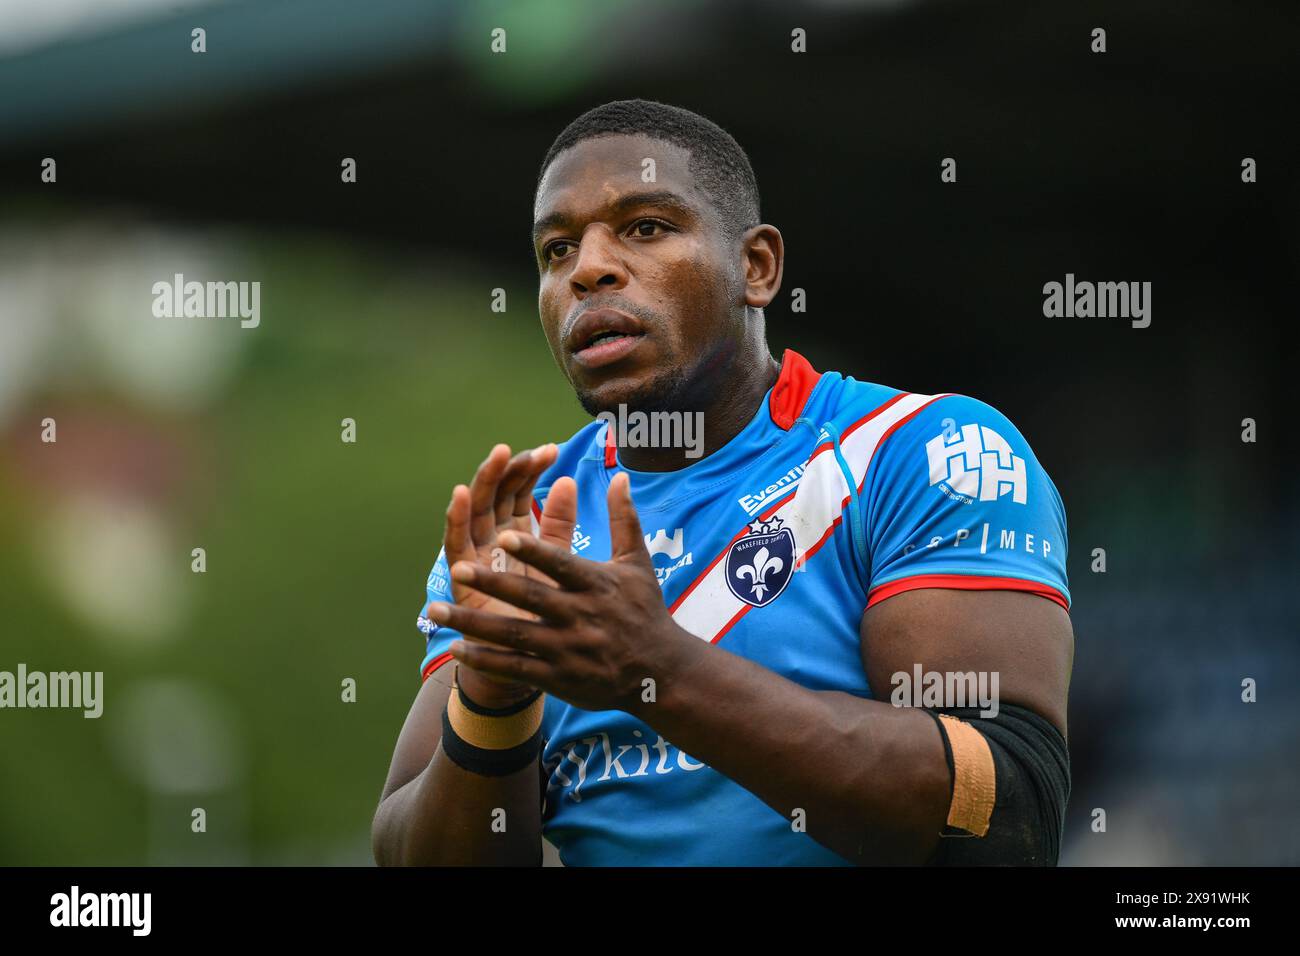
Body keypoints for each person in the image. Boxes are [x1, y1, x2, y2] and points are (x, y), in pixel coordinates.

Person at [372, 99, 1073, 866]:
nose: (588, 269)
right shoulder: (526, 526)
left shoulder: (917, 451)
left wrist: (658, 669)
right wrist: (492, 699)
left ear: (757, 267)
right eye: (557, 249)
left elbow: (1008, 813)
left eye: (645, 227)